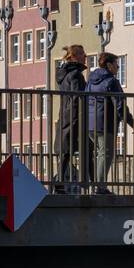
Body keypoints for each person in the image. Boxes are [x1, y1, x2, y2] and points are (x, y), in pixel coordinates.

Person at [85, 53, 134, 193]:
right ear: (109, 65)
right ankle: (100, 187)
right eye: (116, 64)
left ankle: (96, 185)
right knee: (106, 154)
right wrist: (131, 122)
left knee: (99, 153)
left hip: (90, 123)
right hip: (105, 122)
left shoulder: (91, 80)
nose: (118, 67)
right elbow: (120, 104)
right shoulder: (111, 81)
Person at [55, 44, 91, 192]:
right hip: (75, 117)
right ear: (75, 56)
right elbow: (78, 98)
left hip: (65, 115)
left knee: (67, 151)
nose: (85, 56)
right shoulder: (76, 75)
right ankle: (94, 185)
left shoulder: (63, 75)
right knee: (86, 149)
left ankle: (60, 182)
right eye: (82, 54)